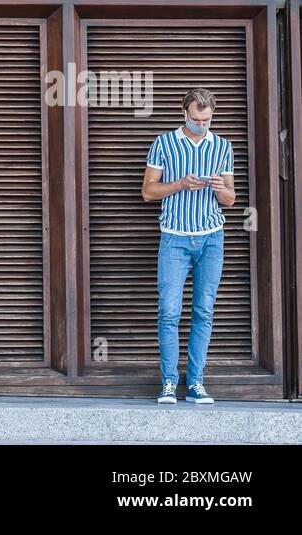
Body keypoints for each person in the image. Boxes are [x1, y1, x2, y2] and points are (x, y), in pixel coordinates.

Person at [141, 88, 236, 404]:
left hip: (211, 238)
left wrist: (222, 189)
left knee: (203, 310)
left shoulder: (222, 146)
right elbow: (148, 192)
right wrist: (181, 184)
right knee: (168, 311)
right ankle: (169, 382)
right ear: (184, 113)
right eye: (196, 119)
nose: (201, 126)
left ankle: (195, 383)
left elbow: (231, 200)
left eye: (207, 120)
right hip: (175, 239)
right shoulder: (164, 143)